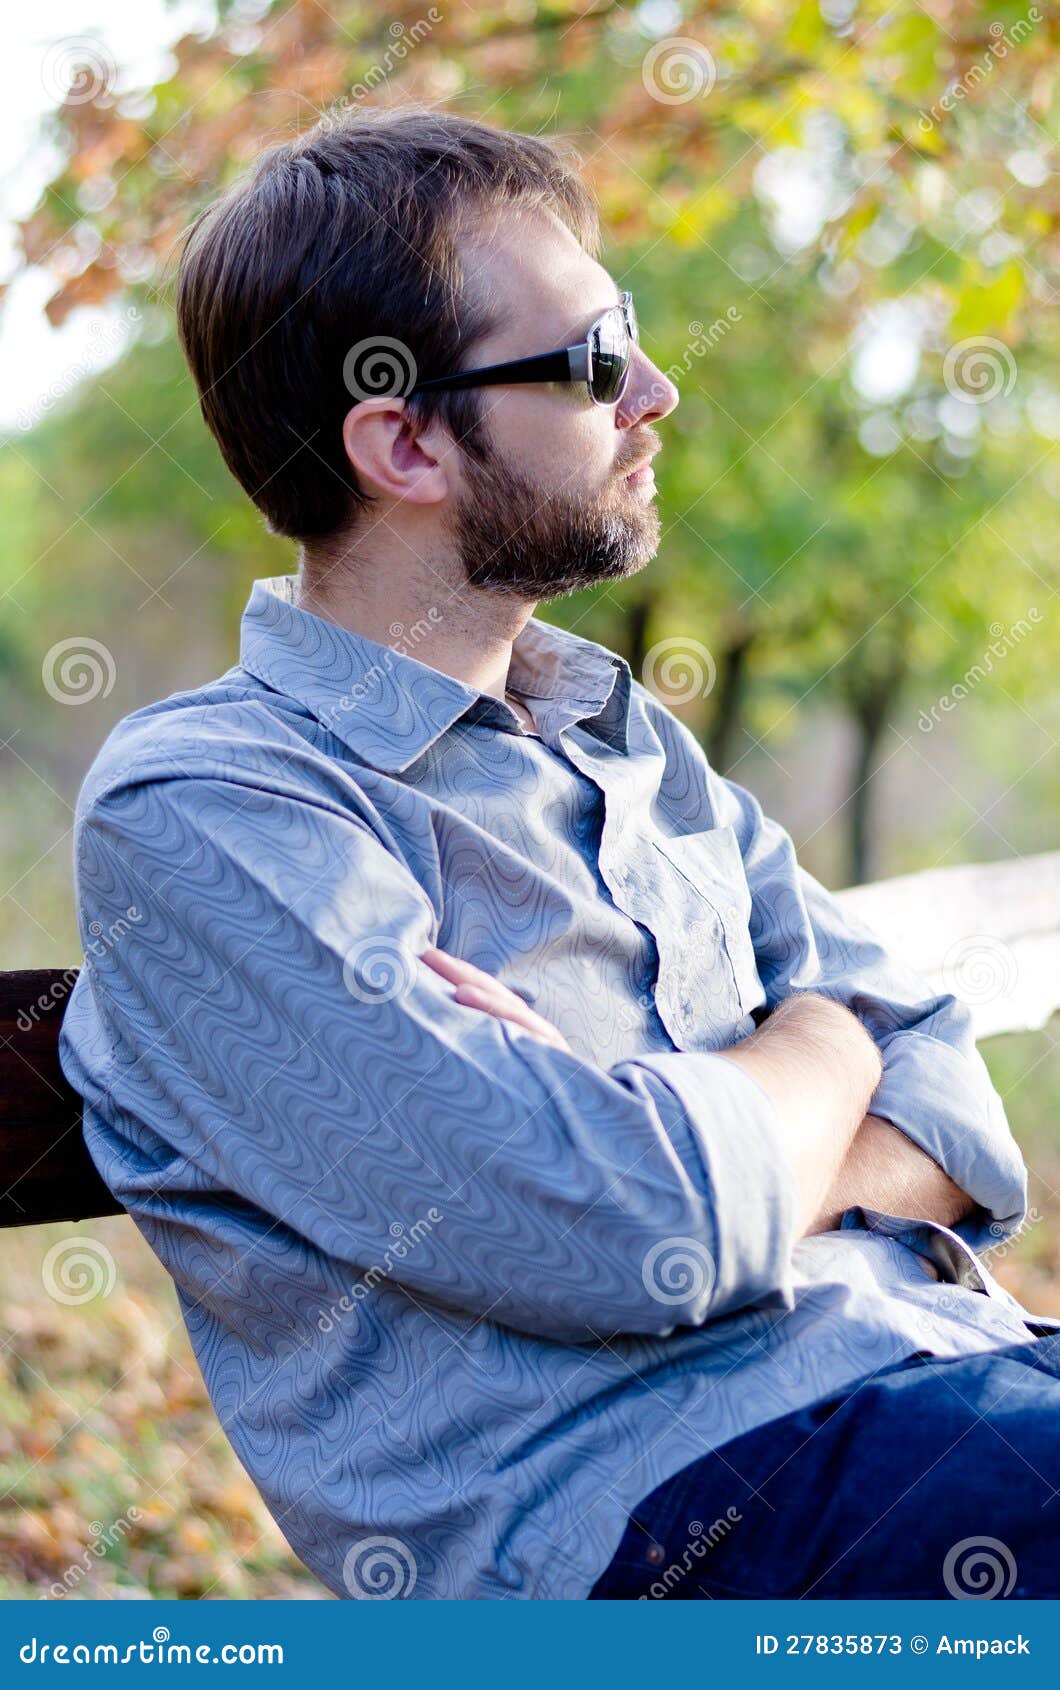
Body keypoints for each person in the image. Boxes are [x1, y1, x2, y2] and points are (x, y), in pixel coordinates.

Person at [59, 106, 1060, 1602]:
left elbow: (951, 1105)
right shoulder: (210, 809)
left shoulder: (620, 735)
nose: (654, 391)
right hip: (684, 1514)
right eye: (595, 360)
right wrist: (809, 1053)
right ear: (404, 438)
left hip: (955, 1384)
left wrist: (751, 1098)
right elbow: (630, 1229)